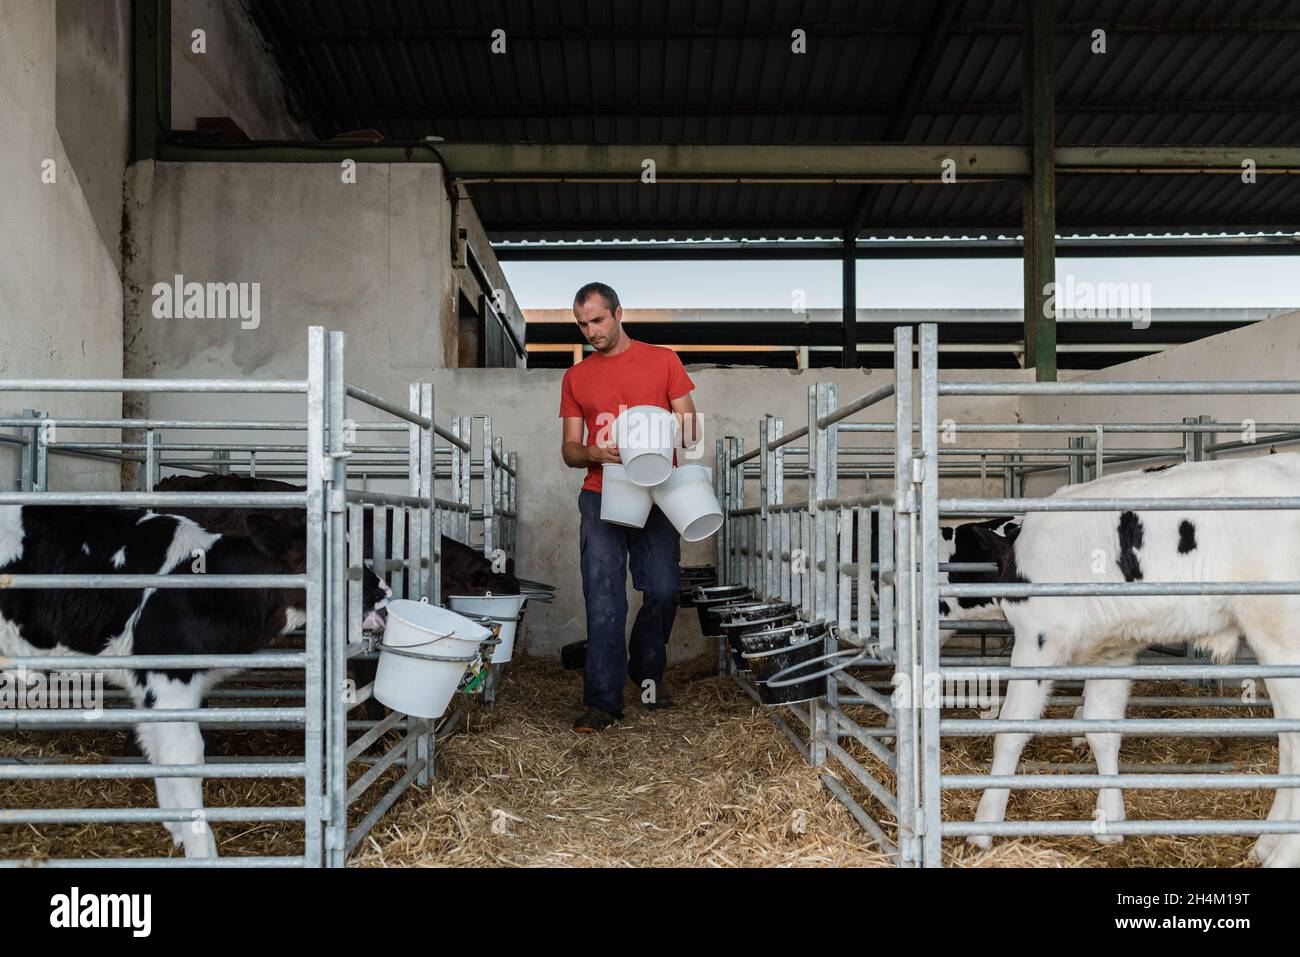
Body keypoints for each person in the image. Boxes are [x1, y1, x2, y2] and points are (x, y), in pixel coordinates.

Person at [559, 282, 699, 732]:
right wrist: (595, 453)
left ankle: (646, 674)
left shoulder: (663, 360)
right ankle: (602, 702)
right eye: (582, 324)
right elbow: (569, 450)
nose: (591, 331)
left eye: (597, 320)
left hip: (657, 492)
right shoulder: (576, 377)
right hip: (601, 491)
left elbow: (691, 430)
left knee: (661, 588)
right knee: (604, 595)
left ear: (619, 313)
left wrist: (667, 434)